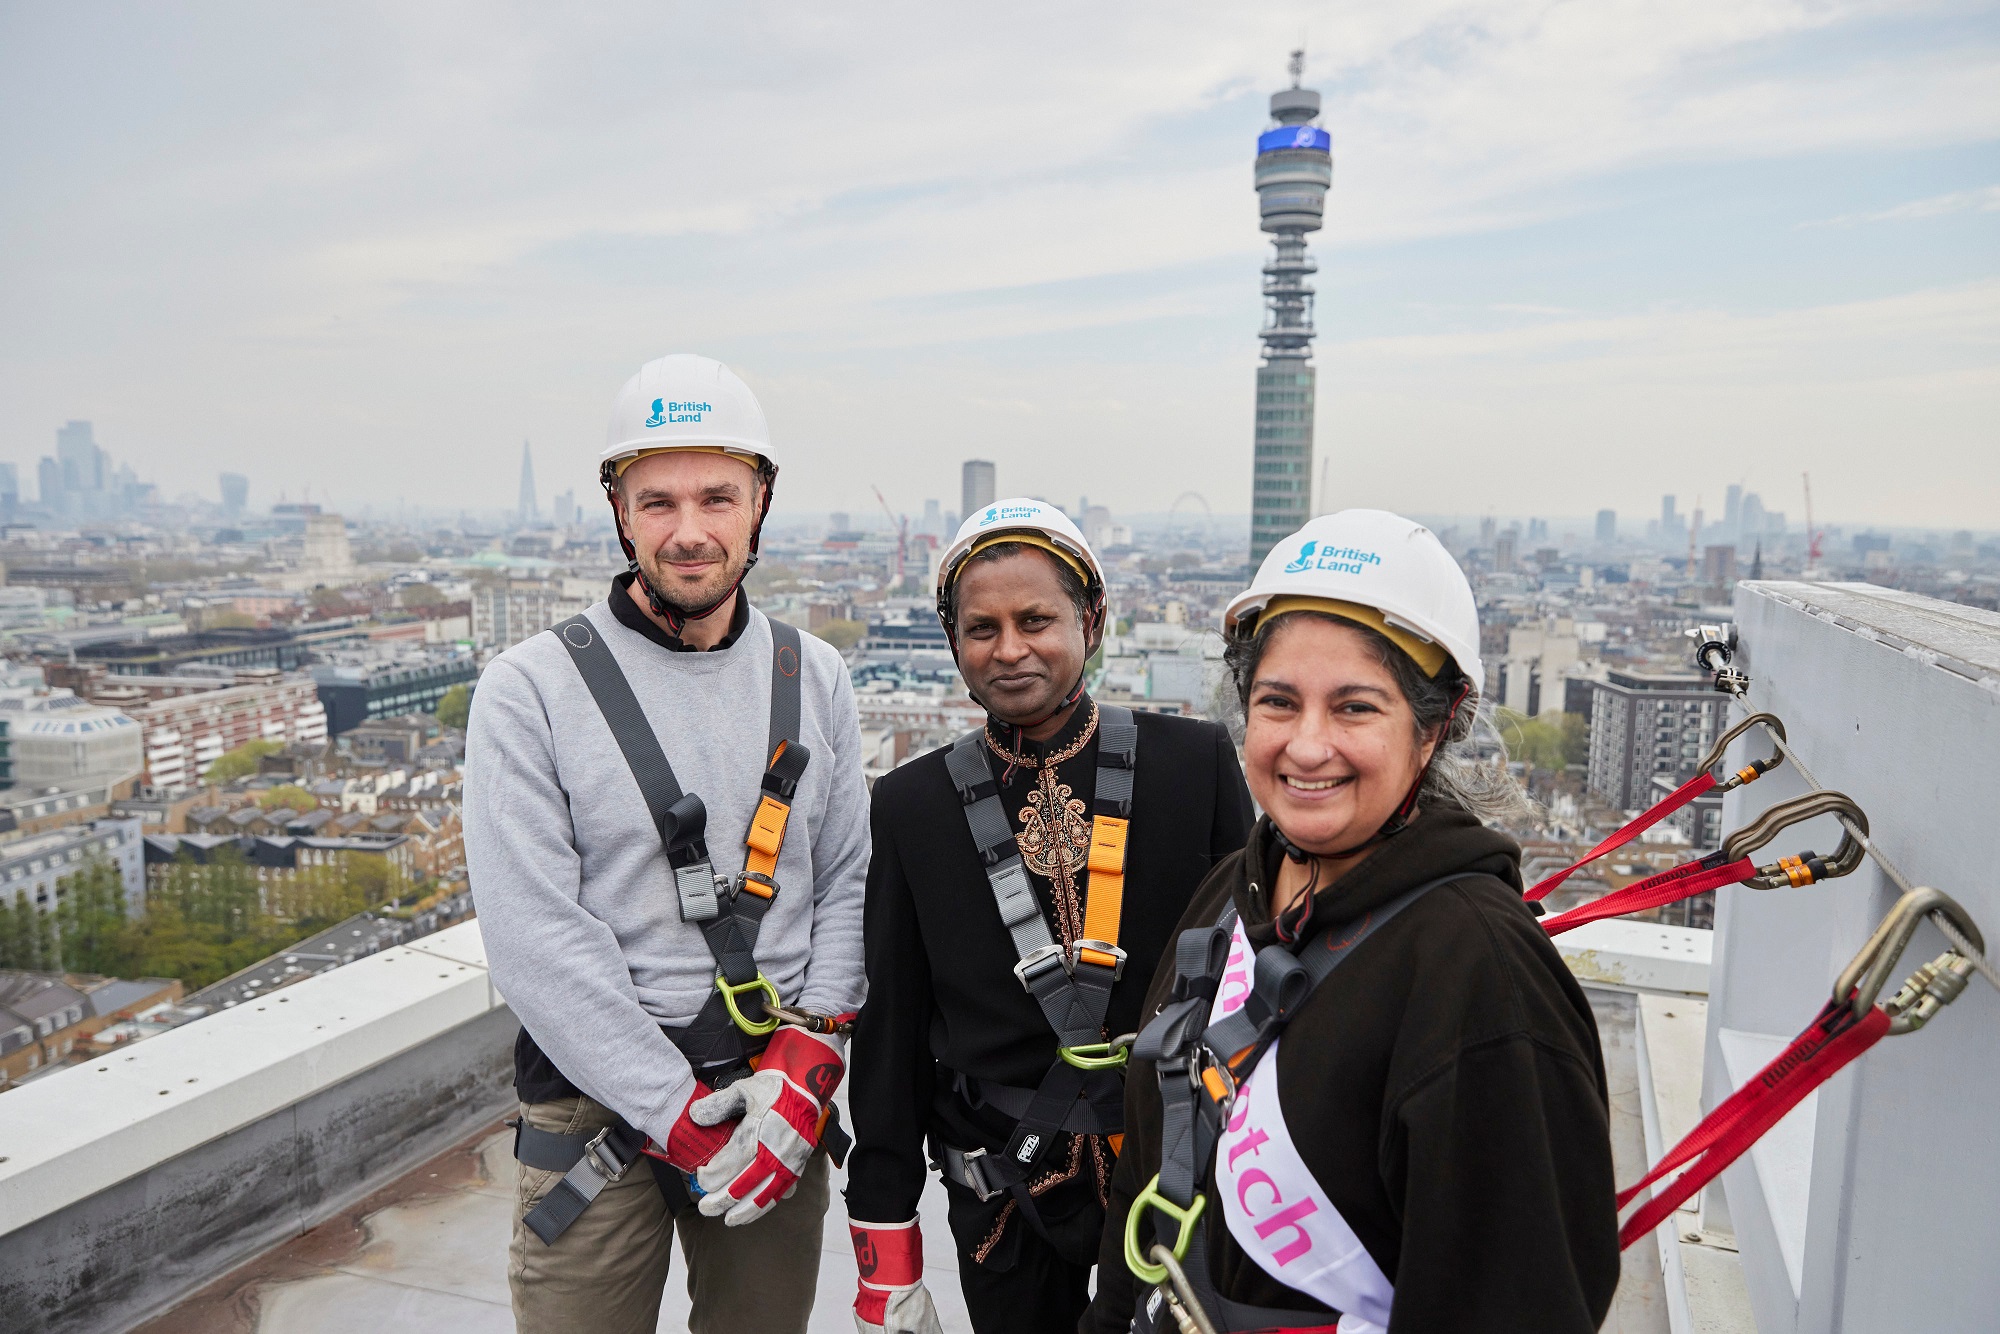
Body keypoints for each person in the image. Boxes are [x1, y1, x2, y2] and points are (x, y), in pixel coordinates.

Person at [1086, 509, 1620, 1334]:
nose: (1306, 746)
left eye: (1355, 708)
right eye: (1278, 702)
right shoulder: (1238, 894)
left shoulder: (1480, 980)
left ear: (1436, 725)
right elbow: (1152, 1192)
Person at [465, 354, 870, 1334]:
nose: (688, 531)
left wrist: (809, 1052)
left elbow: (847, 876)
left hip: (773, 1085)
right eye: (657, 502)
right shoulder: (528, 690)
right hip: (592, 1098)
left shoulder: (813, 676)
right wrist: (673, 1112)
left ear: (760, 499)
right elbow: (532, 936)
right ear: (617, 509)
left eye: (717, 496)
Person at [843, 500, 1254, 1334]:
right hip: (1003, 1204)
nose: (1009, 650)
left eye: (1036, 620)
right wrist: (884, 1250)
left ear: (1092, 620)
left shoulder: (1196, 765)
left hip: (1167, 1181)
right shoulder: (913, 805)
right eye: (982, 628)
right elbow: (892, 1032)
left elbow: (1251, 971)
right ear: (953, 642)